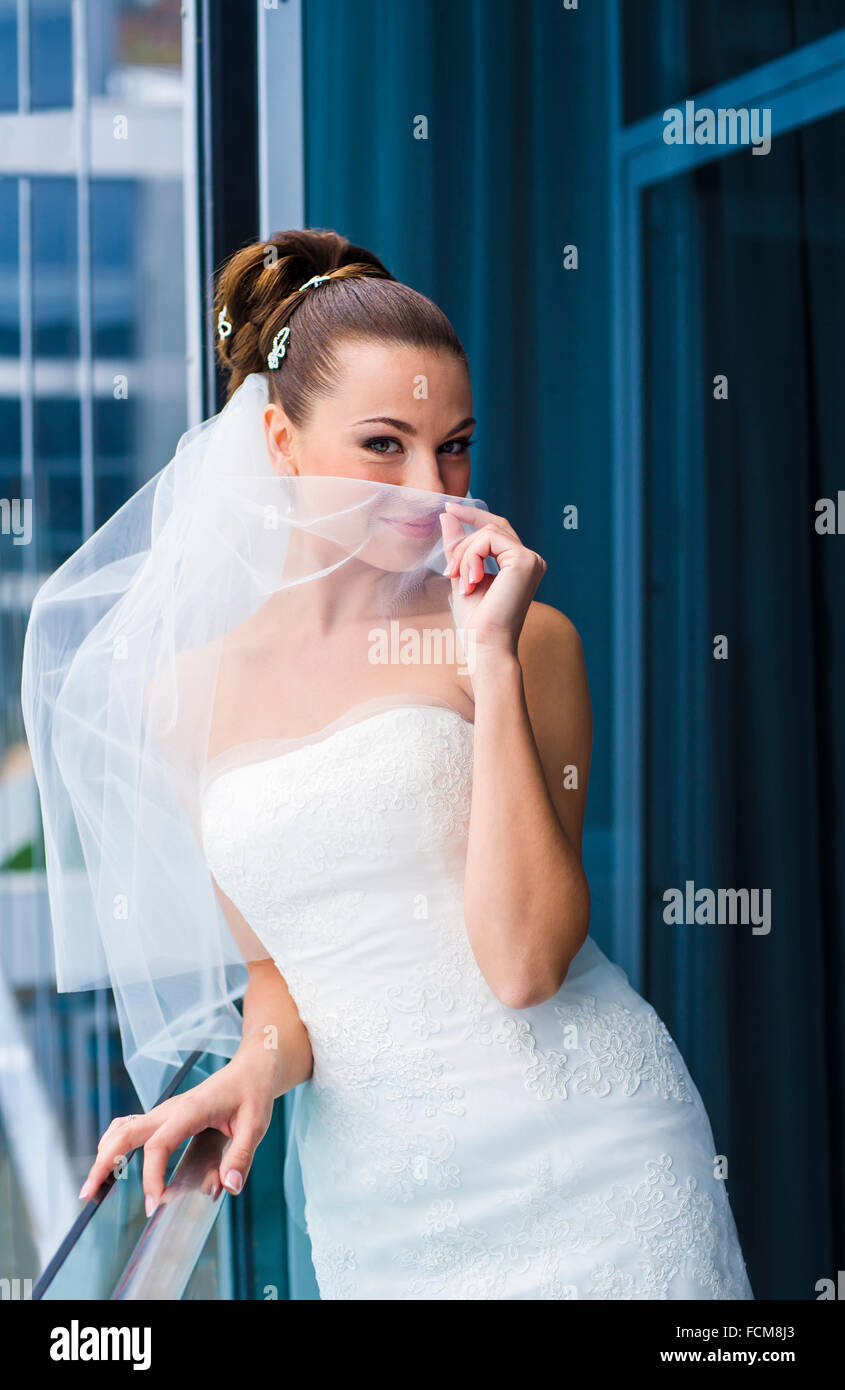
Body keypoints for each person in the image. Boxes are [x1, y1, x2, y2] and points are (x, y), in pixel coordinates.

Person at [32, 229, 753, 1300]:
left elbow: (522, 963)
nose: (429, 487)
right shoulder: (178, 698)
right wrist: (246, 1072)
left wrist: (488, 657)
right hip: (379, 1202)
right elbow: (284, 986)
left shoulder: (526, 639)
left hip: (594, 1166)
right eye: (383, 445)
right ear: (278, 441)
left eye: (453, 445)